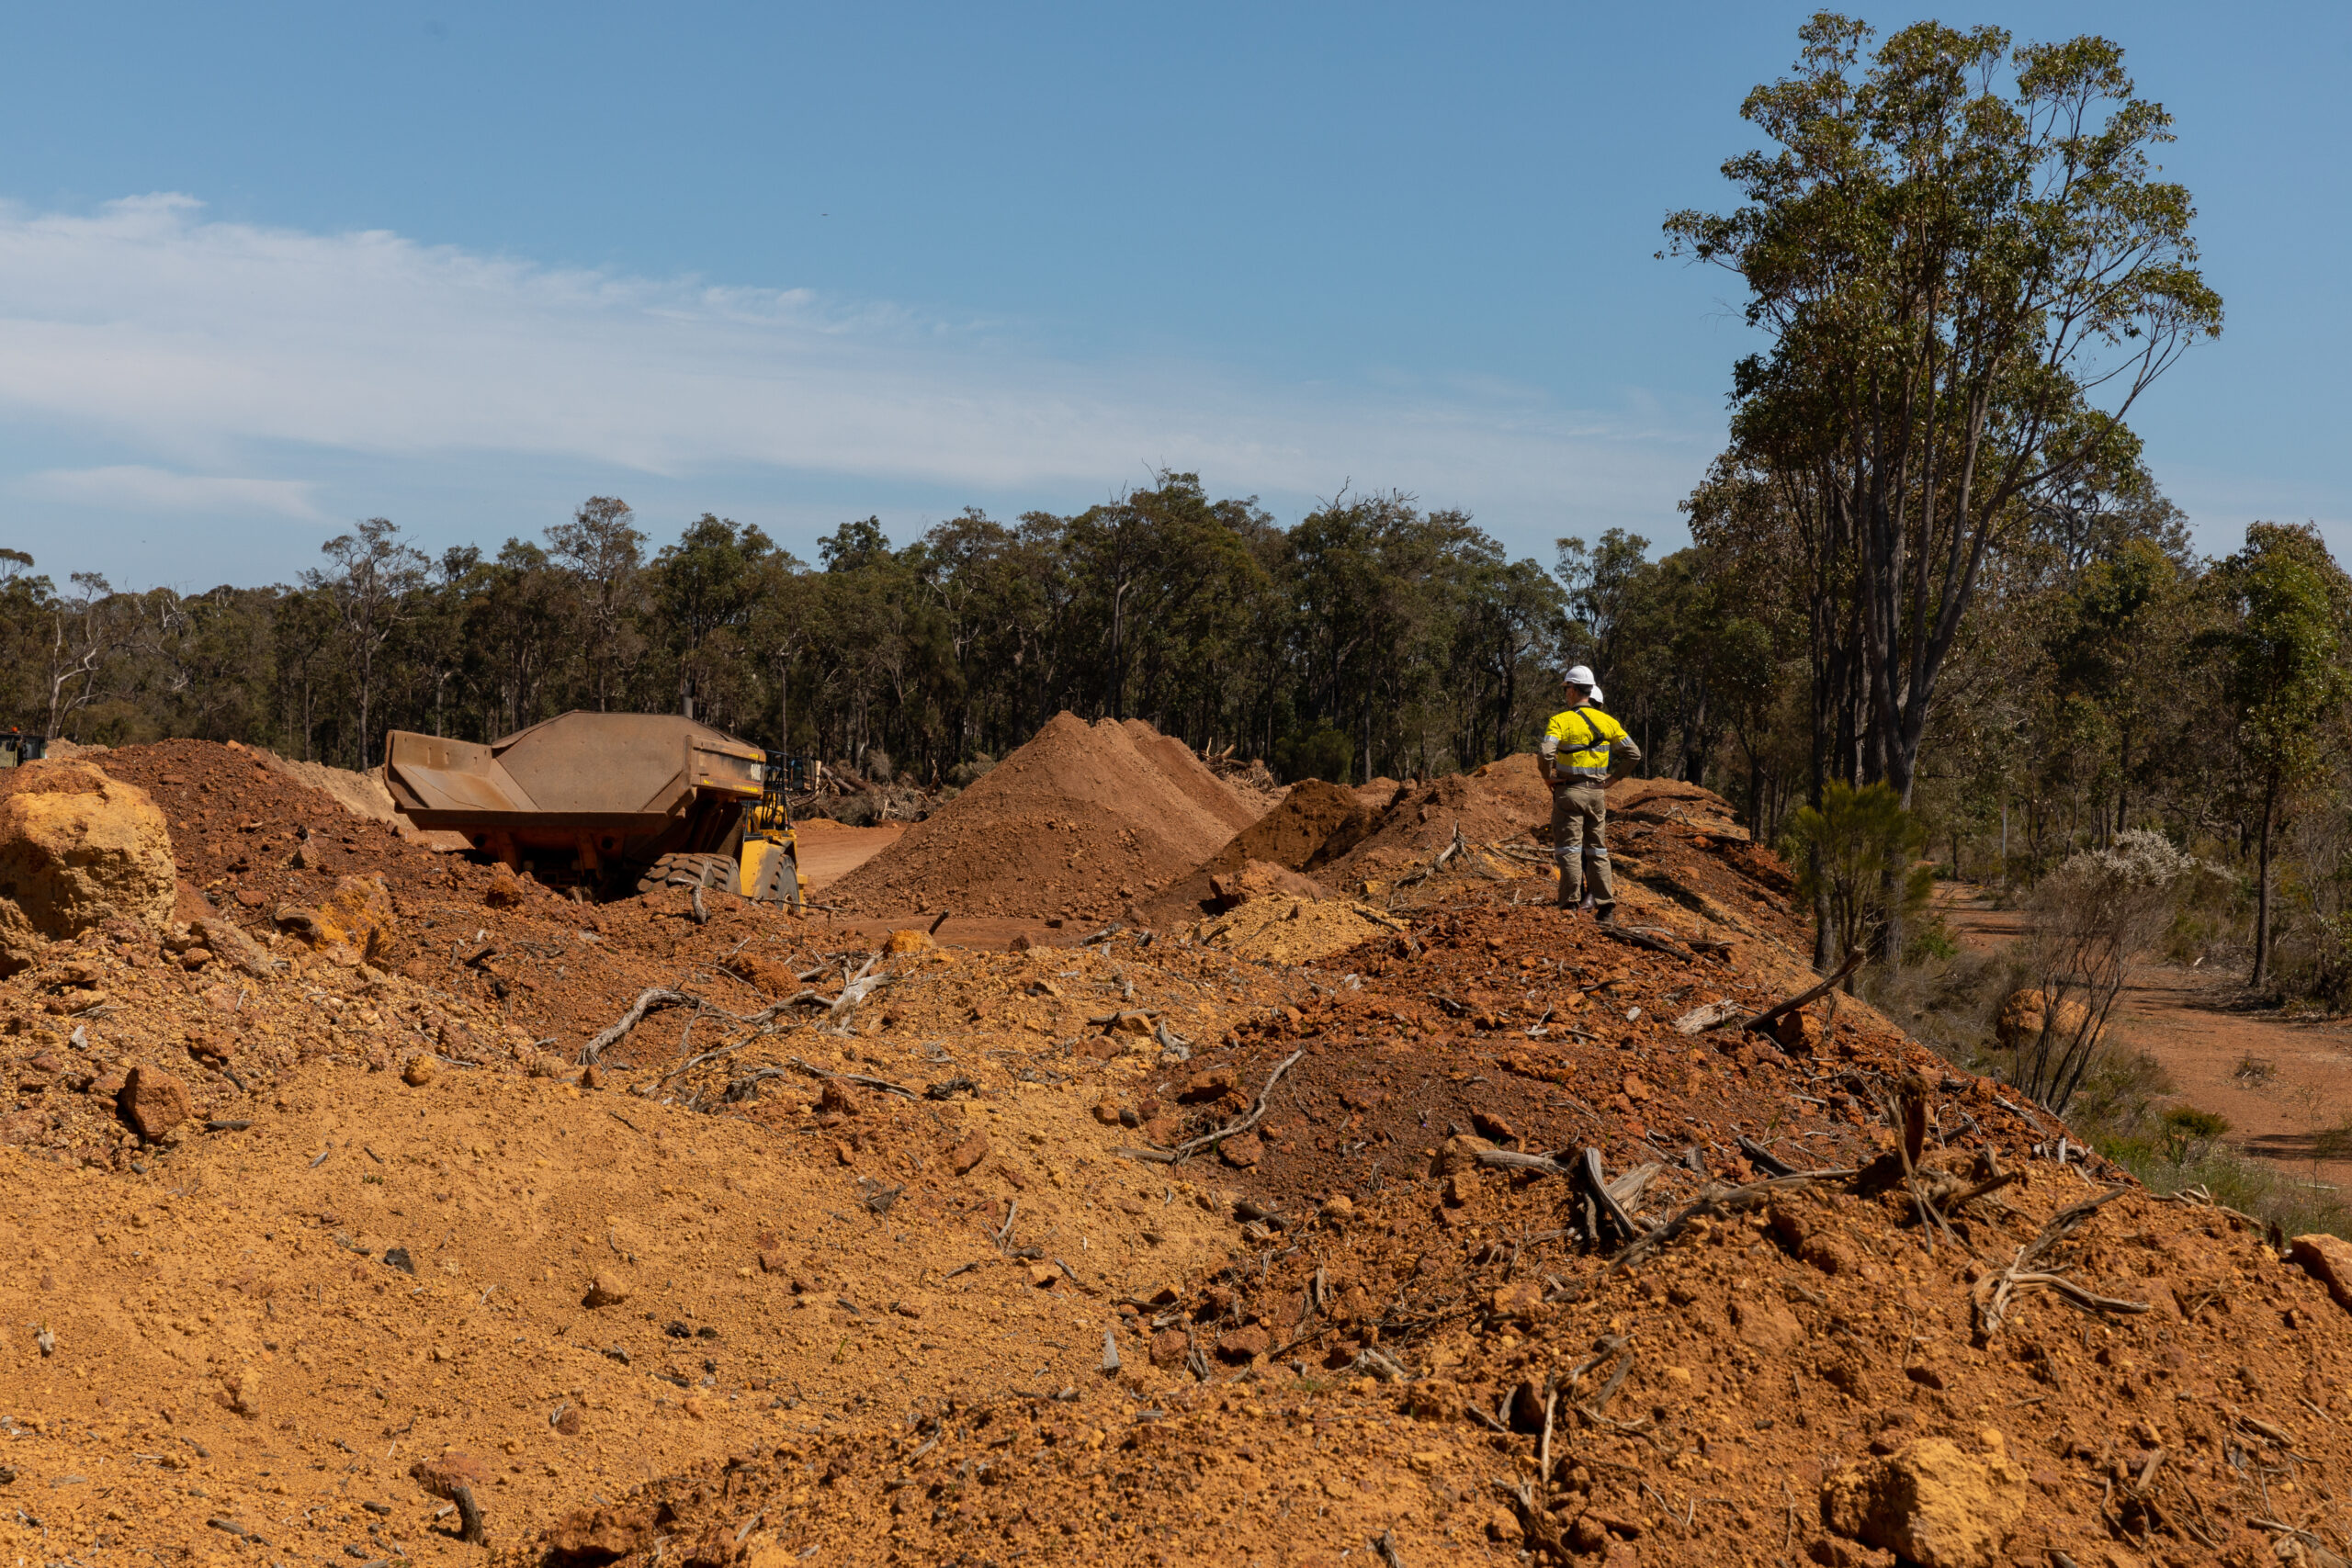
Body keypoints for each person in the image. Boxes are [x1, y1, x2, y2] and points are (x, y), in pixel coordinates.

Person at [1536, 666, 1640, 919]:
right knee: (1597, 850)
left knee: (1570, 850)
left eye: (1566, 690)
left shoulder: (1560, 721)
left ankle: (1570, 905)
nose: (1566, 694)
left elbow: (1546, 752)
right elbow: (1634, 754)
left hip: (1569, 793)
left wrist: (1548, 777)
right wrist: (1612, 780)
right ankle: (1606, 908)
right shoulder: (1609, 722)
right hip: (1596, 794)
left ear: (1572, 690)